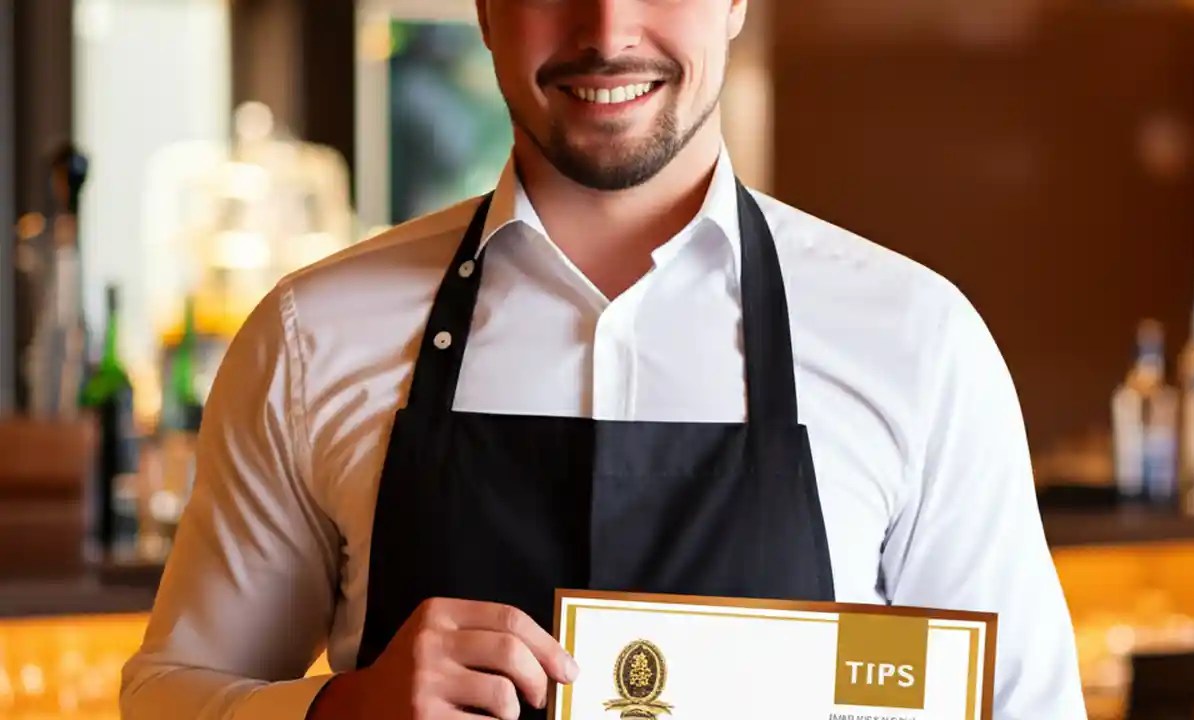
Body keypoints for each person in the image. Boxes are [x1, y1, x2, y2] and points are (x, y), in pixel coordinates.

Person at [120, 0, 1087, 718]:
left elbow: (1024, 706)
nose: (608, 27)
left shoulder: (917, 340)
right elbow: (169, 695)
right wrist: (339, 712)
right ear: (486, 9)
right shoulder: (311, 336)